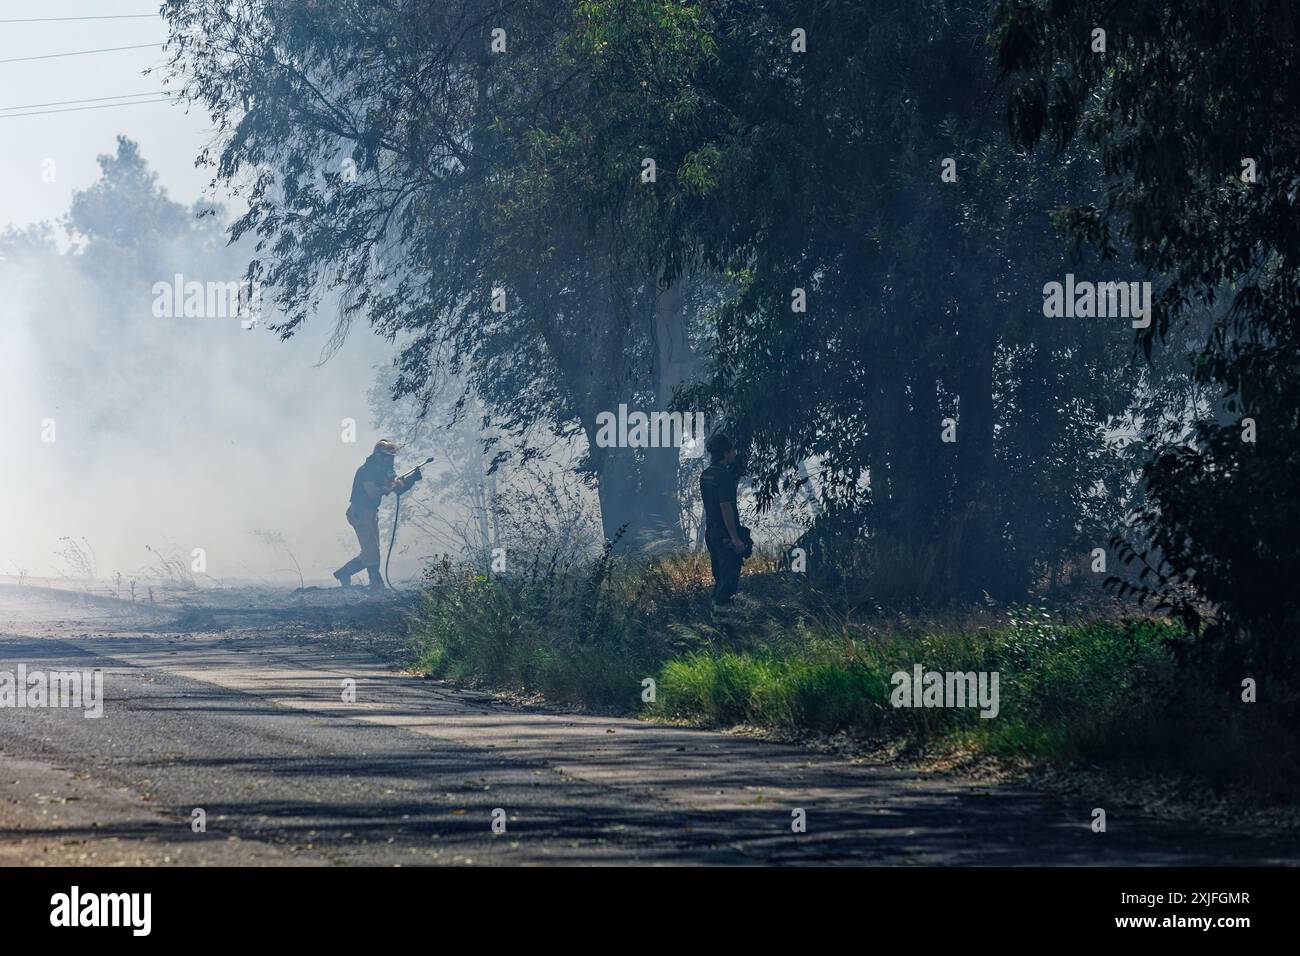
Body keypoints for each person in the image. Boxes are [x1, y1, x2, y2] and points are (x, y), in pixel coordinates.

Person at [334, 439, 422, 590]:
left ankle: (344, 573)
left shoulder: (383, 472)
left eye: (391, 457)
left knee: (371, 550)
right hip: (359, 514)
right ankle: (376, 583)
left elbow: (396, 489)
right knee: (372, 551)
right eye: (387, 457)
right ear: (378, 456)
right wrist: (389, 486)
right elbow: (373, 492)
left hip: (371, 513)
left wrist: (411, 480)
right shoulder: (367, 471)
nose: (390, 460)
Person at [699, 433, 746, 607]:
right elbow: (726, 508)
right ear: (725, 453)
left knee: (719, 577)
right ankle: (723, 622)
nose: (734, 453)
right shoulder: (723, 476)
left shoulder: (706, 475)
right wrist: (735, 538)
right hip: (725, 535)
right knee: (728, 581)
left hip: (711, 533)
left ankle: (716, 620)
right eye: (732, 450)